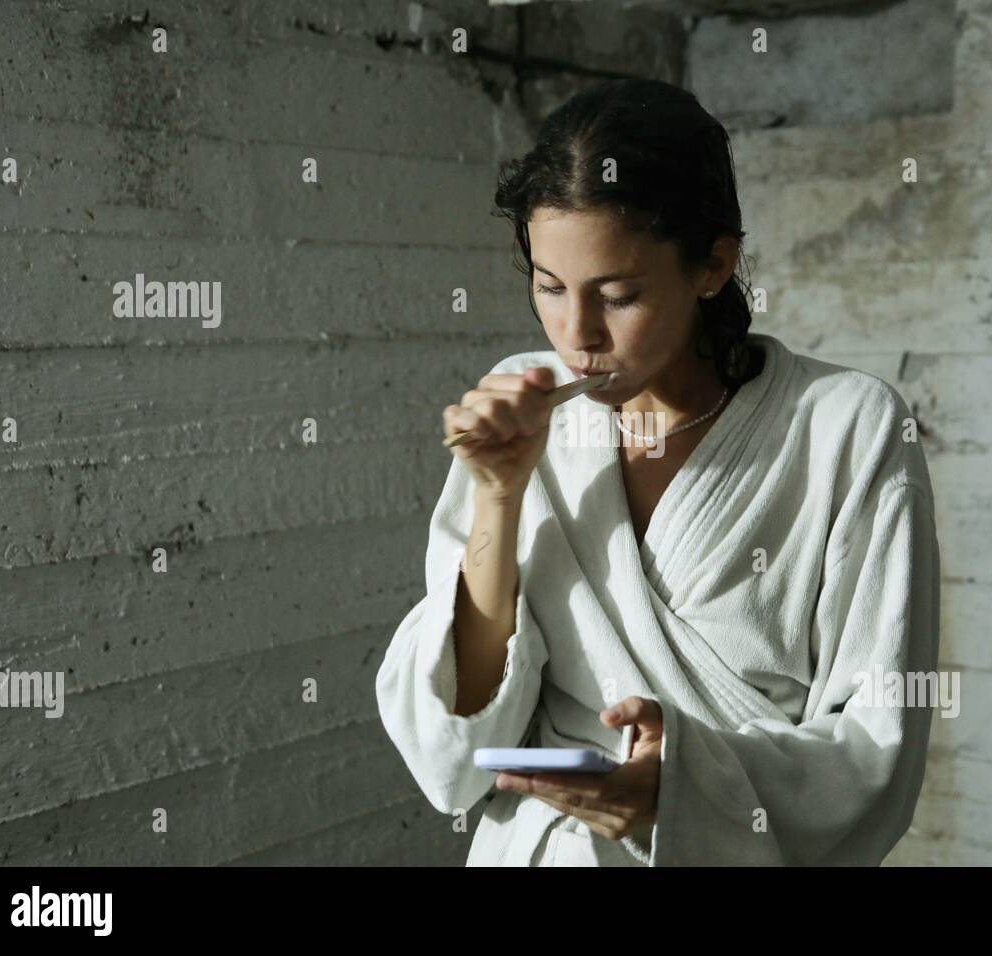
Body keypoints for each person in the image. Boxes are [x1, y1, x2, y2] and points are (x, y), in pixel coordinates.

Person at [375, 77, 941, 866]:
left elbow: (874, 747)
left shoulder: (847, 425)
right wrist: (500, 493)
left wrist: (682, 788)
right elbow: (460, 734)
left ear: (712, 265)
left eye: (619, 295)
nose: (579, 336)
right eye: (549, 287)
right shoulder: (527, 413)